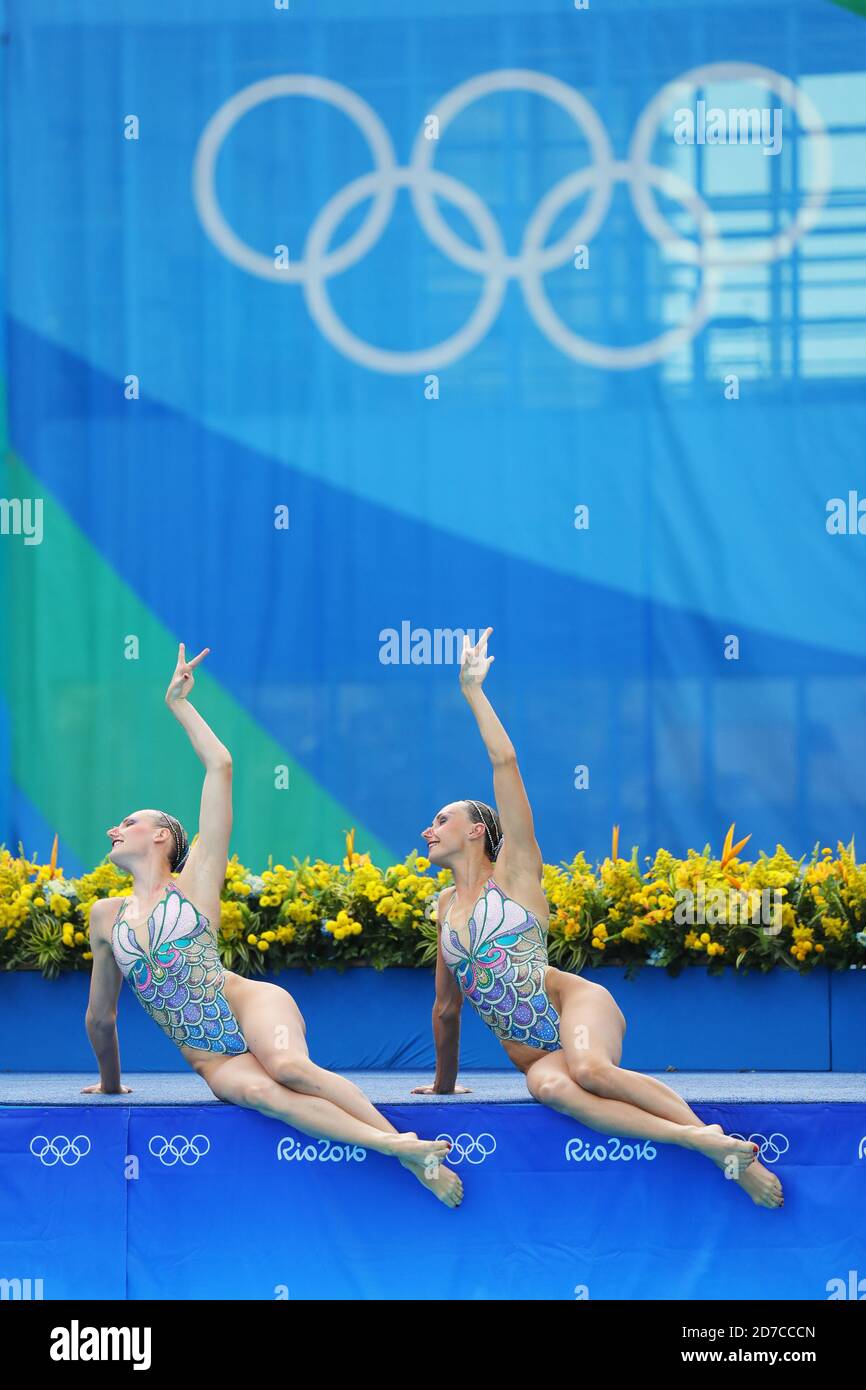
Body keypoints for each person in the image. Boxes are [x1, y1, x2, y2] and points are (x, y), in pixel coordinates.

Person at [414, 627, 783, 1210]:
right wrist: (440, 1090)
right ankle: (706, 1143)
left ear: (477, 831)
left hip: (574, 1007)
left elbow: (505, 761)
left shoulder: (515, 873)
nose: (427, 830)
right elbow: (446, 1008)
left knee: (589, 1068)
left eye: (440, 820)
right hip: (534, 1056)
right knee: (555, 1087)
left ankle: (726, 1154)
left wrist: (472, 693)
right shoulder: (441, 910)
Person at [83, 642, 462, 1208]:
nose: (116, 828)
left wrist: (180, 704)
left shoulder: (196, 884)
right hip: (213, 1059)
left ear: (161, 837)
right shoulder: (105, 917)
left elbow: (221, 766)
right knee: (268, 1094)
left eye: (128, 822)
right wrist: (111, 1088)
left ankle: (410, 1152)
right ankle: (402, 1149)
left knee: (290, 1067)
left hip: (248, 1003)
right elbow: (101, 1016)